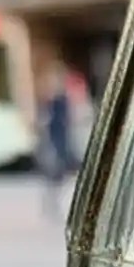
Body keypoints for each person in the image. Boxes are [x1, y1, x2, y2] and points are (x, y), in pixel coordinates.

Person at [39, 65, 81, 221]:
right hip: (56, 143)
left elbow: (66, 121)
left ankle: (59, 205)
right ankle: (54, 205)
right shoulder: (52, 101)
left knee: (63, 176)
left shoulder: (61, 100)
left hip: (63, 142)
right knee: (57, 177)